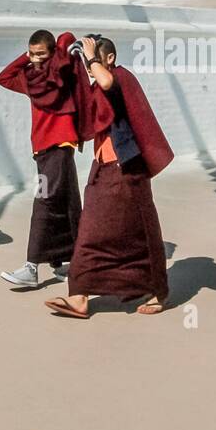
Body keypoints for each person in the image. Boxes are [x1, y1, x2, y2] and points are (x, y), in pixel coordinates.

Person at [46, 36, 173, 320]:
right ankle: (79, 296)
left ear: (110, 58)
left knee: (141, 232)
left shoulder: (120, 77)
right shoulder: (100, 82)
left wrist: (91, 55)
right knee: (93, 233)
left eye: (94, 60)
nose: (90, 67)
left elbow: (105, 82)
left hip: (127, 170)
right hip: (103, 169)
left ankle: (157, 291)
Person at [0, 30, 93, 289]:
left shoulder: (62, 71)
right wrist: (27, 58)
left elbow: (66, 37)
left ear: (52, 53)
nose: (36, 59)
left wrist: (60, 49)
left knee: (44, 200)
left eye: (42, 54)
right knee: (67, 202)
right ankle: (69, 261)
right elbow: (3, 77)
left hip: (59, 146)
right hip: (43, 148)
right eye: (32, 53)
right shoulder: (32, 78)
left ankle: (31, 267)